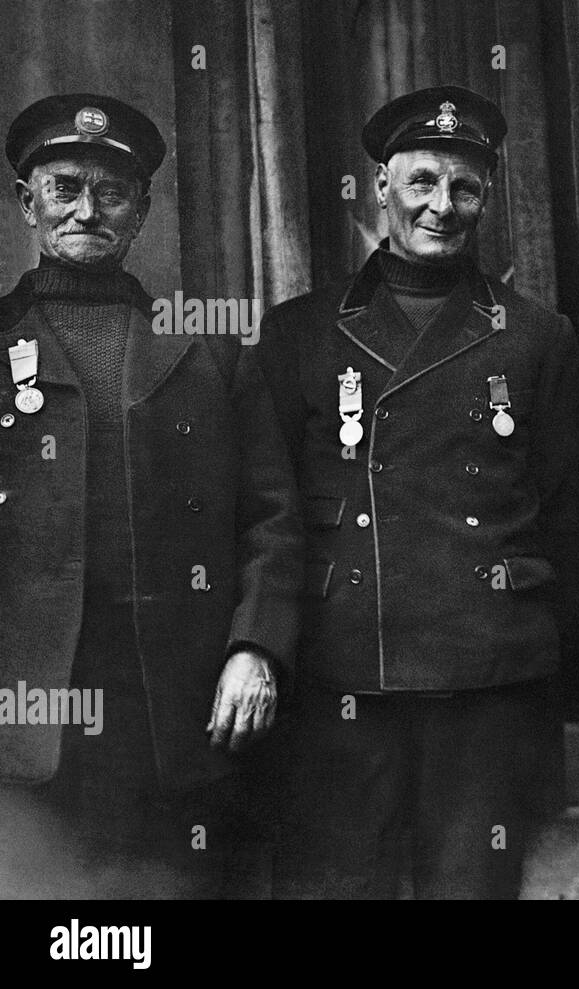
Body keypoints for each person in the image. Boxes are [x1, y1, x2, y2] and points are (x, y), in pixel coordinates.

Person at [257, 85, 579, 899]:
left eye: (466, 187)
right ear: (381, 186)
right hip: (344, 673)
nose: (443, 206)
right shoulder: (300, 332)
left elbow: (561, 509)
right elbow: (272, 513)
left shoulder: (539, 335)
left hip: (485, 680)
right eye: (421, 183)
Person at [0, 93, 302, 897]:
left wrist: (256, 647)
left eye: (112, 193)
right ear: (27, 203)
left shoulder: (208, 349)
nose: (87, 210)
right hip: (28, 717)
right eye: (65, 187)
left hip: (180, 712)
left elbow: (273, 520)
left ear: (142, 211)